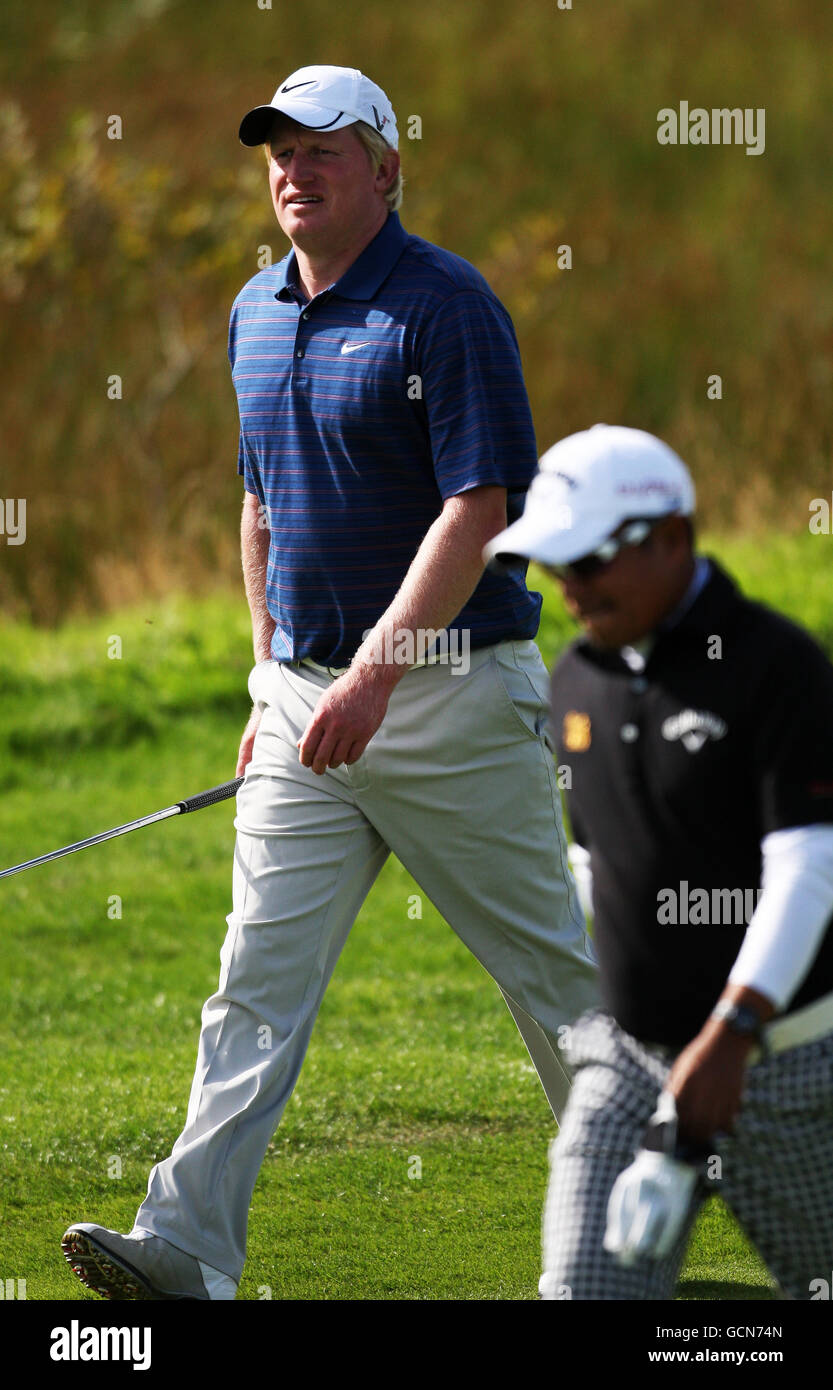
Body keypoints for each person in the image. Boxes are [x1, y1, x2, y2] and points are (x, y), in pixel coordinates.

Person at [61, 65, 598, 1301]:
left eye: (324, 151)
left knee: (552, 977)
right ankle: (186, 1248)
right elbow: (258, 504)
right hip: (302, 705)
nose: (293, 172)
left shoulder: (446, 306)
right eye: (278, 154)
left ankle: (627, 1216)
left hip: (451, 696)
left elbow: (478, 514)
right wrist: (267, 677)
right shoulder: (253, 307)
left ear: (386, 169)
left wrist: (371, 677)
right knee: (252, 981)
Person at [485, 423, 833, 1301]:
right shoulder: (573, 681)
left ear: (670, 538)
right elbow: (593, 861)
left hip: (786, 1068)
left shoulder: (778, 668)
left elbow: (808, 867)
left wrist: (729, 1034)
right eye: (556, 566)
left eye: (591, 561)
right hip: (630, 1063)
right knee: (580, 1291)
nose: (570, 588)